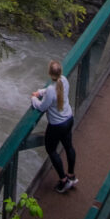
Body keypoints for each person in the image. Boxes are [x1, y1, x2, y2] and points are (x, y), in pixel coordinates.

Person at [31, 59, 78, 192]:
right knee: (69, 146)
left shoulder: (51, 90)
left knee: (51, 149)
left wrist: (34, 98)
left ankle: (63, 180)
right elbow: (50, 90)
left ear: (49, 73)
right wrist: (41, 92)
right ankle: (72, 175)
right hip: (69, 119)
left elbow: (41, 107)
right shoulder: (64, 80)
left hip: (57, 125)